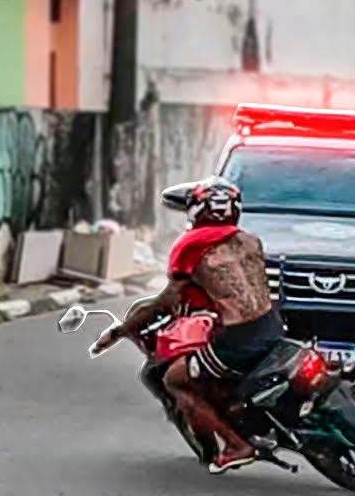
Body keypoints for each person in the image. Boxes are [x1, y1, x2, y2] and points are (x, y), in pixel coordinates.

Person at [91, 176, 283, 473]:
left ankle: (236, 445)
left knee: (175, 380)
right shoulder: (249, 240)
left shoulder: (190, 246)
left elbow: (166, 302)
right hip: (272, 326)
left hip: (239, 339)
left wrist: (118, 331)